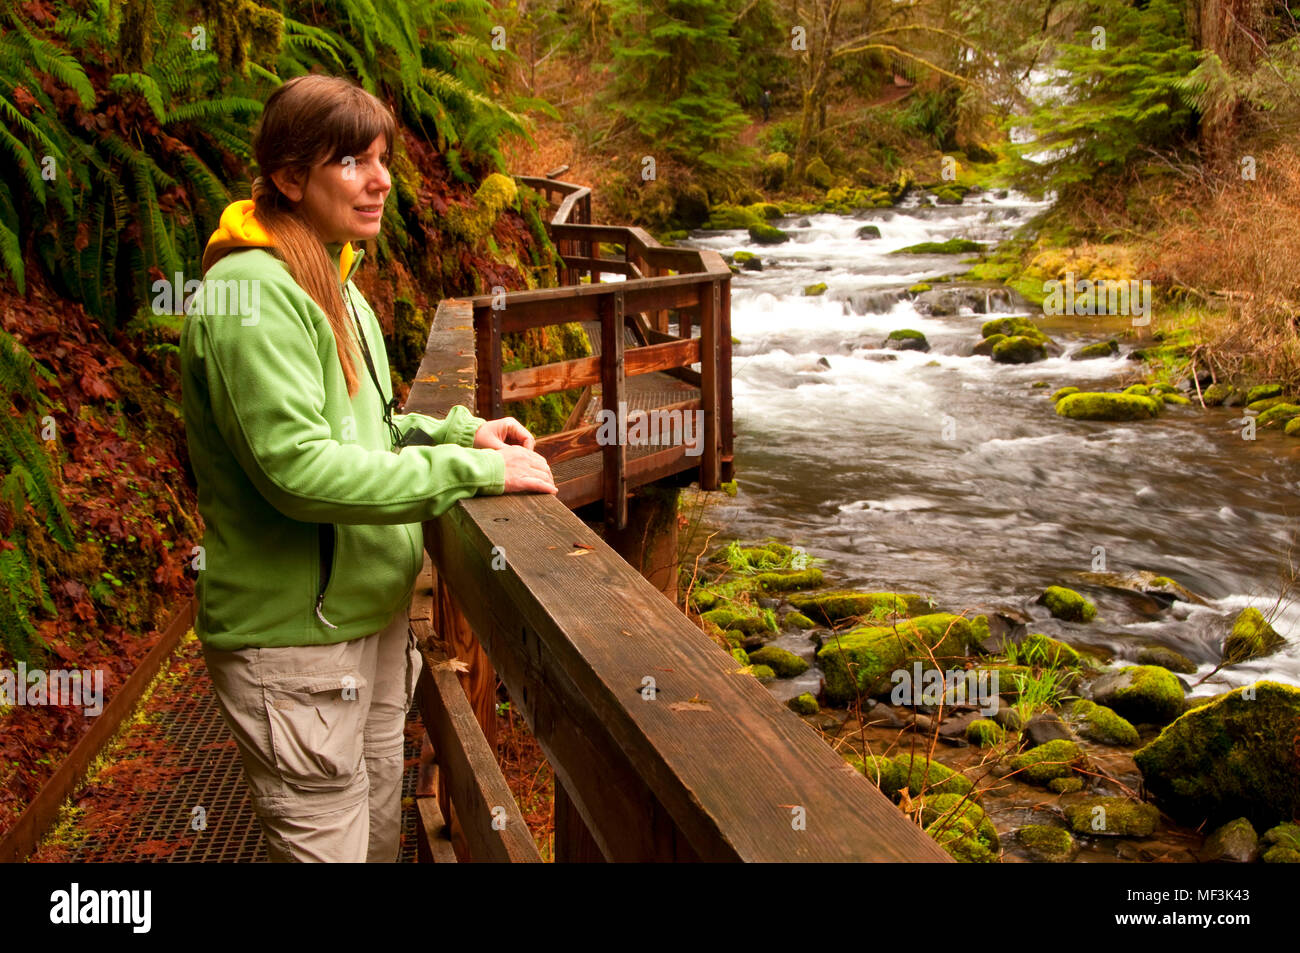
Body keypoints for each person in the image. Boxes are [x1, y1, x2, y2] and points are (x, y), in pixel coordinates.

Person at [179, 74, 557, 862]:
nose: (381, 179)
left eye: (382, 158)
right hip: (295, 641)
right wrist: (471, 473)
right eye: (351, 161)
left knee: (378, 840)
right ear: (290, 178)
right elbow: (300, 471)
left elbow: (367, 425)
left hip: (368, 621)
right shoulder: (250, 293)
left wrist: (460, 430)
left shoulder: (331, 275)